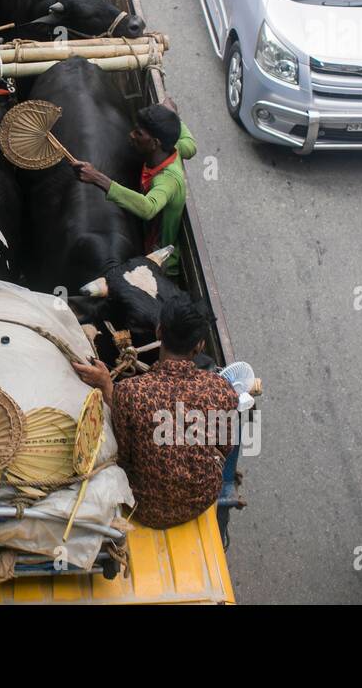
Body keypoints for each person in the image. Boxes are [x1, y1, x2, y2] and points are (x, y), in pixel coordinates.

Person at [72, 295, 238, 531]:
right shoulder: (222, 391)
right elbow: (224, 449)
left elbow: (124, 454)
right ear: (199, 345)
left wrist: (107, 386)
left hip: (143, 507)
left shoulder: (130, 393)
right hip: (201, 499)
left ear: (159, 331)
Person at [71, 101, 196, 277]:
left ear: (155, 143)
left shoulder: (167, 180)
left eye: (138, 133)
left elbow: (148, 207)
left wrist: (98, 178)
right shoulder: (174, 148)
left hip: (160, 257)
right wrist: (170, 116)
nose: (131, 135)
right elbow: (191, 144)